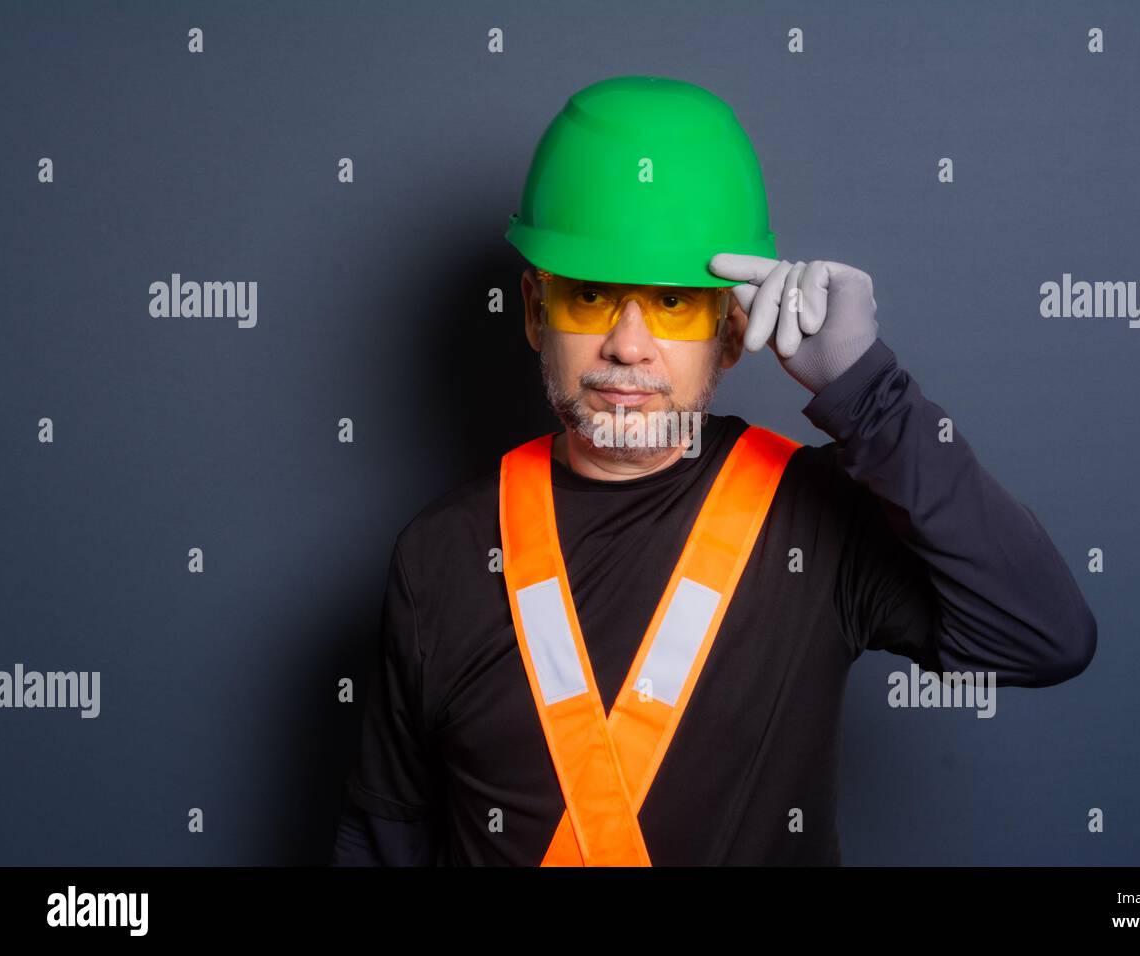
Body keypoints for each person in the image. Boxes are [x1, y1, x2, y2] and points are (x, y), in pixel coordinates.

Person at [330, 75, 1096, 866]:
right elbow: (384, 836)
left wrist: (869, 390)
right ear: (533, 311)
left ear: (732, 335)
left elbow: (1044, 636)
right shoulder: (440, 557)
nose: (628, 347)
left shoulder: (812, 522)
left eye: (672, 305)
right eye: (592, 295)